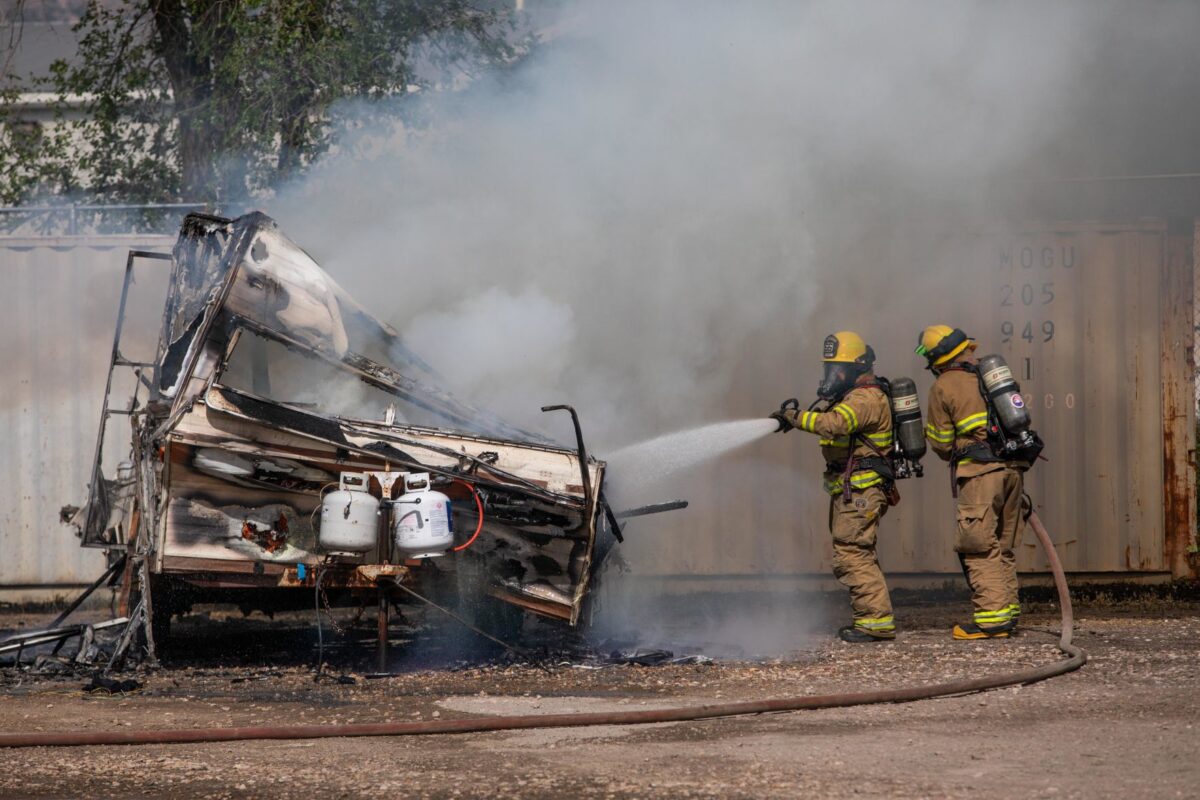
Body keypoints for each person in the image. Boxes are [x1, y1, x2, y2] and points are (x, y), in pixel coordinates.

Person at [772, 331, 897, 643]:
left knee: (852, 553)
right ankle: (873, 617)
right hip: (851, 488)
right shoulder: (851, 398)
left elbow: (834, 424)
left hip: (862, 490)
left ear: (856, 368)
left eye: (838, 369)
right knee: (856, 550)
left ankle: (875, 622)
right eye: (830, 369)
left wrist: (794, 417)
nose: (832, 376)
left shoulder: (865, 399)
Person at [916, 325, 1027, 640]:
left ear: (937, 359)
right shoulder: (990, 376)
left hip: (980, 473)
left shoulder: (944, 385)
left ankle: (992, 620)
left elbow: (940, 443)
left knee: (978, 546)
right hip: (1012, 469)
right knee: (1002, 546)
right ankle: (1007, 613)